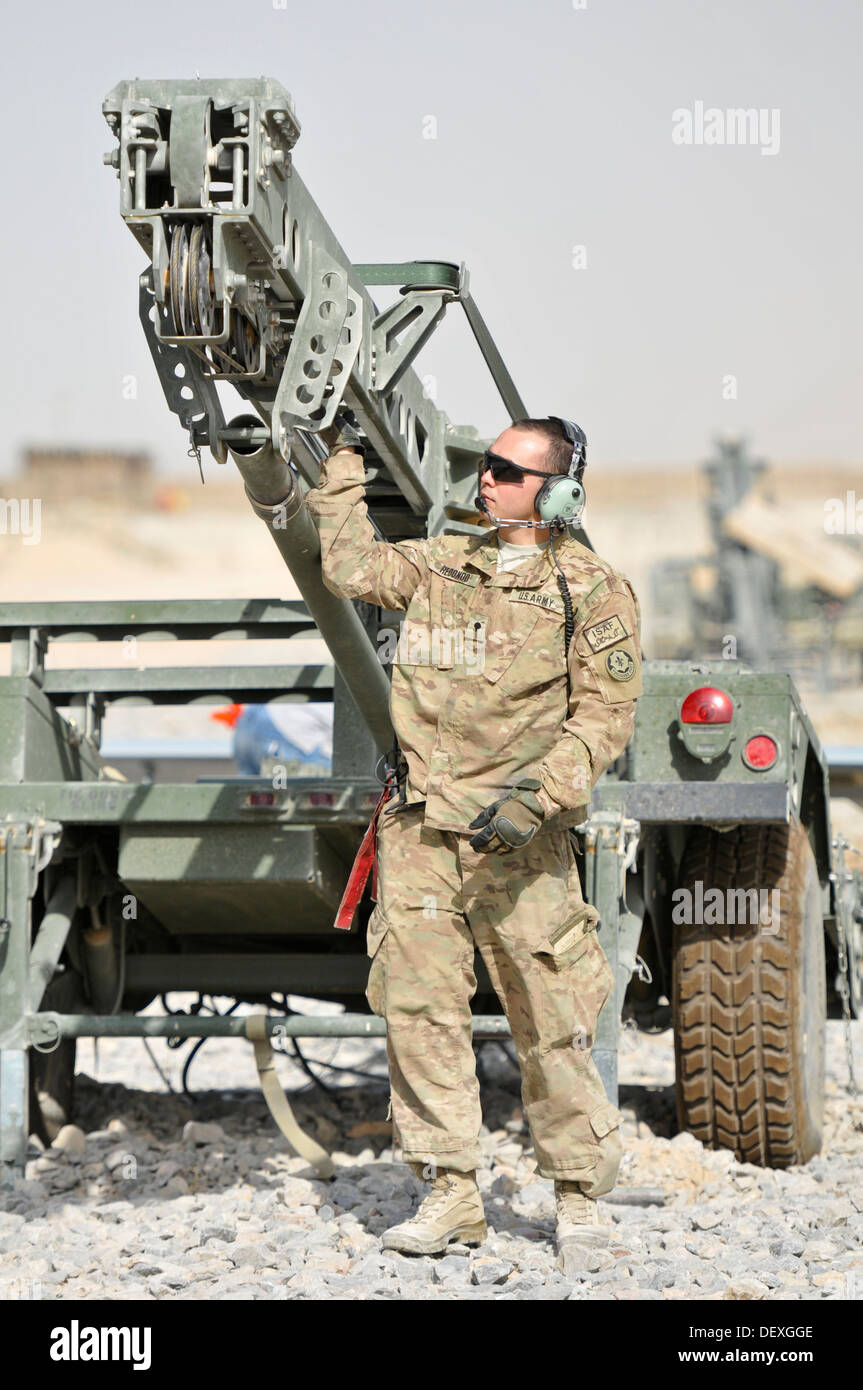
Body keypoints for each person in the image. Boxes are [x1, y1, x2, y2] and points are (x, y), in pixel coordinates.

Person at [304, 415, 643, 1262]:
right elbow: (347, 565)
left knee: (549, 1016)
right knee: (418, 1014)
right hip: (420, 830)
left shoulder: (591, 589)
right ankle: (448, 1193)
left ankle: (578, 1197)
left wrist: (544, 795)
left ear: (557, 492)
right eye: (485, 466)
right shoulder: (439, 562)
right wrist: (338, 460)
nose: (484, 480)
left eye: (506, 470)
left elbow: (604, 717)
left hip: (517, 841)